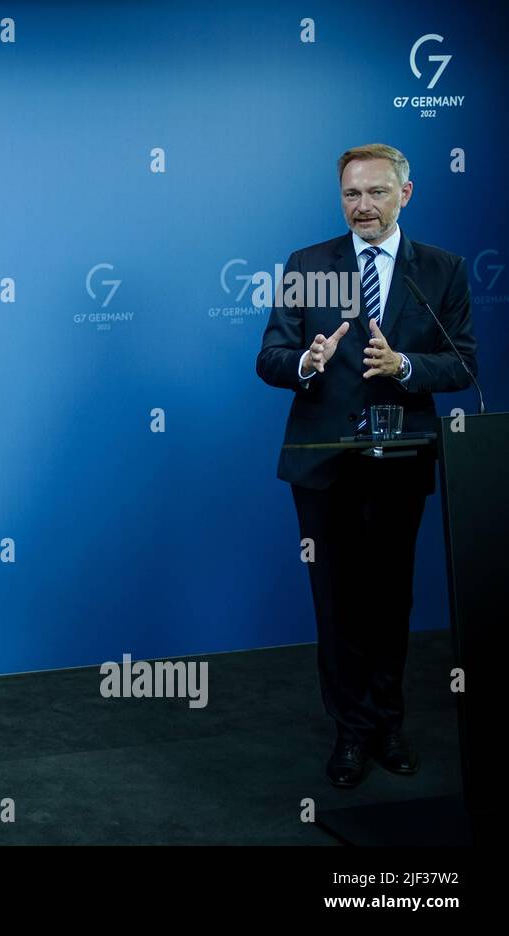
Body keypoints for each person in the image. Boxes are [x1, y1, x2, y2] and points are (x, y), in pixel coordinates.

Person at [256, 143, 477, 788]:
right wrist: (306, 362)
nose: (363, 206)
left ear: (405, 194)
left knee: (389, 601)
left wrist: (405, 366)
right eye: (351, 194)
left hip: (400, 462)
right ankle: (350, 733)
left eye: (377, 192)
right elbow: (270, 356)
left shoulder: (441, 269)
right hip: (324, 465)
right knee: (336, 604)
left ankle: (388, 724)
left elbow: (463, 364)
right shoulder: (307, 265)